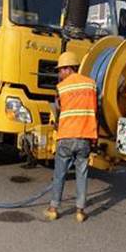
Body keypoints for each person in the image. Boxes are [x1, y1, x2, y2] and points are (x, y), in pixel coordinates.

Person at [44, 51, 98, 223]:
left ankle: (53, 208)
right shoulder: (91, 84)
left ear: (68, 69)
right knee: (81, 173)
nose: (59, 74)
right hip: (85, 136)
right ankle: (80, 211)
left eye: (61, 70)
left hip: (66, 135)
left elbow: (59, 109)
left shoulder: (61, 87)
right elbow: (95, 109)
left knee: (60, 173)